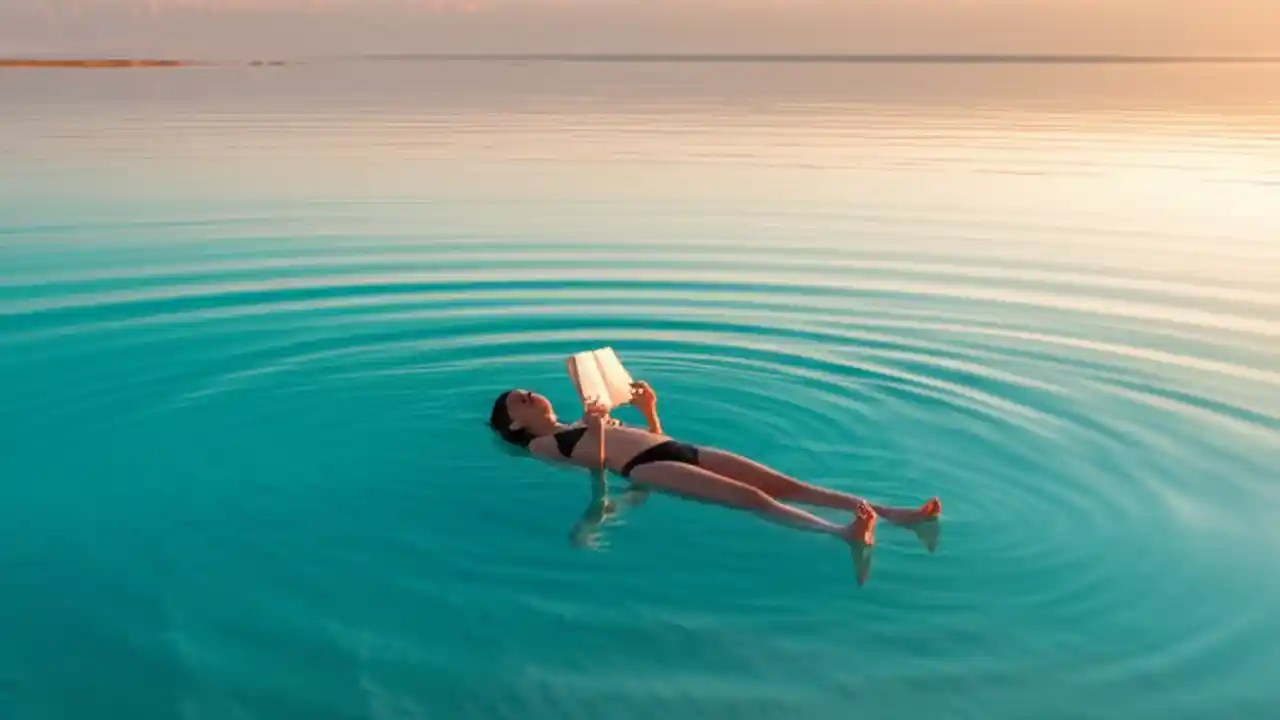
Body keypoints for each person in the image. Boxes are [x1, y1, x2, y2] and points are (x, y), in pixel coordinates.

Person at [488, 381, 941, 553]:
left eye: (526, 390)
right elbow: (595, 464)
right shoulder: (542, 445)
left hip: (674, 446)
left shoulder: (578, 419)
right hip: (643, 467)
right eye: (518, 400)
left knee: (787, 484)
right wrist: (596, 426)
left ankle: (892, 513)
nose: (527, 393)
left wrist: (649, 410)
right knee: (752, 498)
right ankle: (841, 533)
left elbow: (646, 435)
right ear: (515, 423)